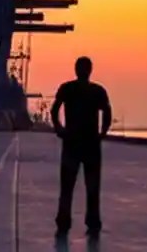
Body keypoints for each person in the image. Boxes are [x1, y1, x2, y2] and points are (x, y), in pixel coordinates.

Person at [51, 56, 112, 237]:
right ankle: (93, 221)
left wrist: (59, 129)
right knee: (92, 186)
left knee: (67, 186)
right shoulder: (98, 91)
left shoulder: (67, 88)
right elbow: (107, 113)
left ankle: (63, 221)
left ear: (76, 69)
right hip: (91, 144)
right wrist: (102, 133)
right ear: (90, 70)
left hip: (71, 143)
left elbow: (54, 110)